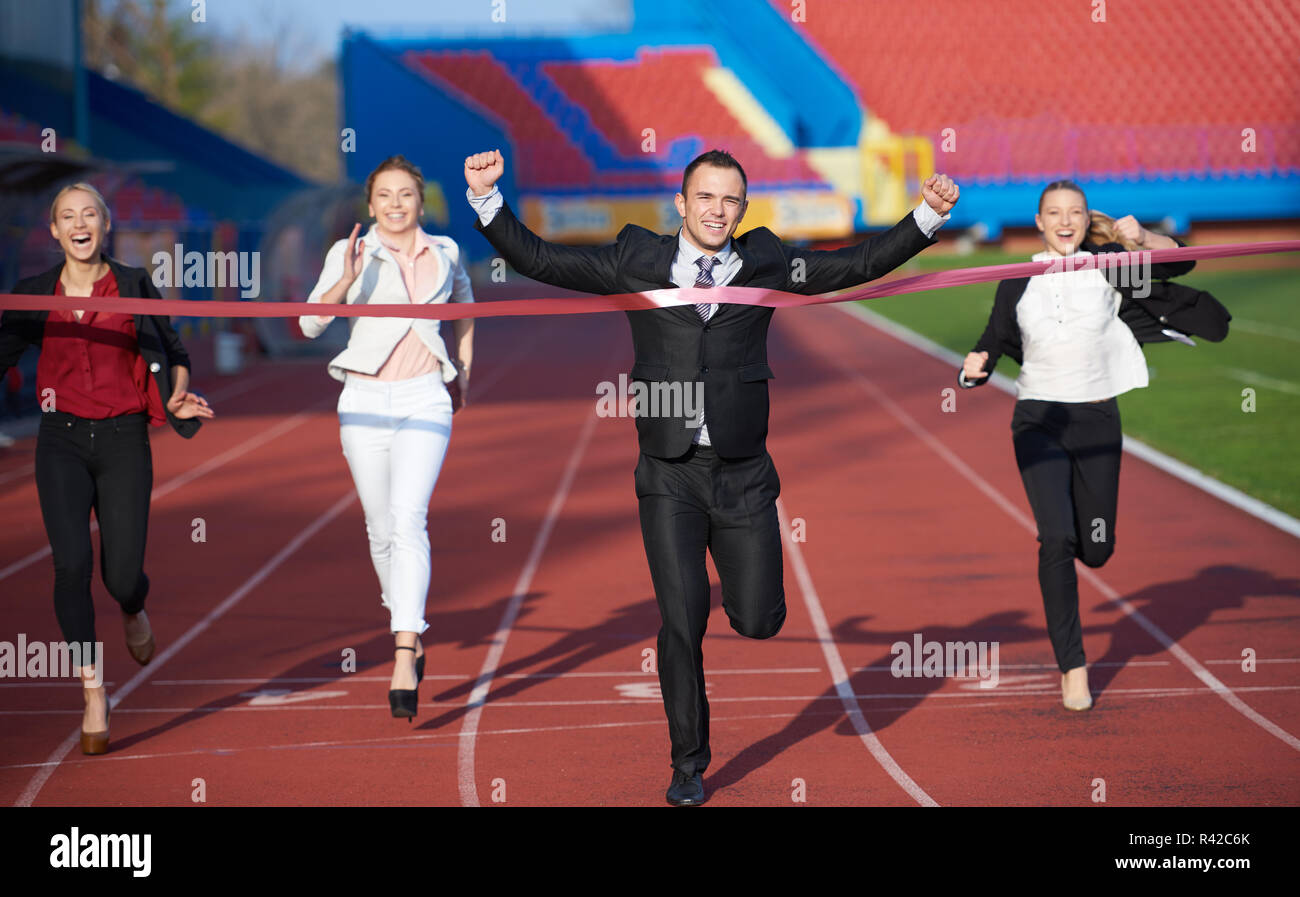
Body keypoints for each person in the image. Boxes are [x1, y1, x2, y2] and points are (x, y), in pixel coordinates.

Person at [464, 147, 959, 804]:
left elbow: (856, 264)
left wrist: (928, 213)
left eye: (730, 200)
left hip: (744, 472)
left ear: (742, 208)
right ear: (682, 201)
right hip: (668, 472)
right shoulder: (633, 260)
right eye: (706, 197)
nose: (717, 210)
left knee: (757, 618)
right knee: (681, 620)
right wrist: (486, 200)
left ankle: (748, 601)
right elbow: (541, 259)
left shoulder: (769, 263)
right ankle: (687, 765)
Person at [957, 179, 1230, 711]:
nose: (1065, 221)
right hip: (1038, 419)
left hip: (1098, 419)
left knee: (1097, 551)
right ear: (1038, 222)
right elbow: (994, 340)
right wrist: (974, 369)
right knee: (1055, 539)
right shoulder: (1018, 279)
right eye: (1054, 213)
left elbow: (1181, 265)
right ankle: (1073, 667)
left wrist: (1145, 237)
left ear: (1085, 221)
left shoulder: (1109, 263)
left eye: (1075, 213)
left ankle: (1086, 554)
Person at [0, 182, 214, 755]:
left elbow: (176, 354)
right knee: (70, 567)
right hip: (59, 442)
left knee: (119, 576)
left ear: (105, 222)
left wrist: (175, 395)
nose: (79, 222)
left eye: (88, 213)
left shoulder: (135, 284)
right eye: (67, 215)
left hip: (123, 440)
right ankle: (94, 690)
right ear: (53, 230)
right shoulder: (33, 294)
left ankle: (133, 603)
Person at [300, 155, 475, 721]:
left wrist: (462, 369)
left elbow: (466, 308)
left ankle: (404, 648)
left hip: (426, 396)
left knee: (407, 519)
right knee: (379, 530)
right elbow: (309, 324)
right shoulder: (350, 252)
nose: (395, 205)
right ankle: (407, 623)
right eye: (384, 197)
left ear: (420, 203)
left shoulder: (446, 251)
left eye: (405, 195)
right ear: (370, 205)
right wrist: (346, 281)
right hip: (364, 401)